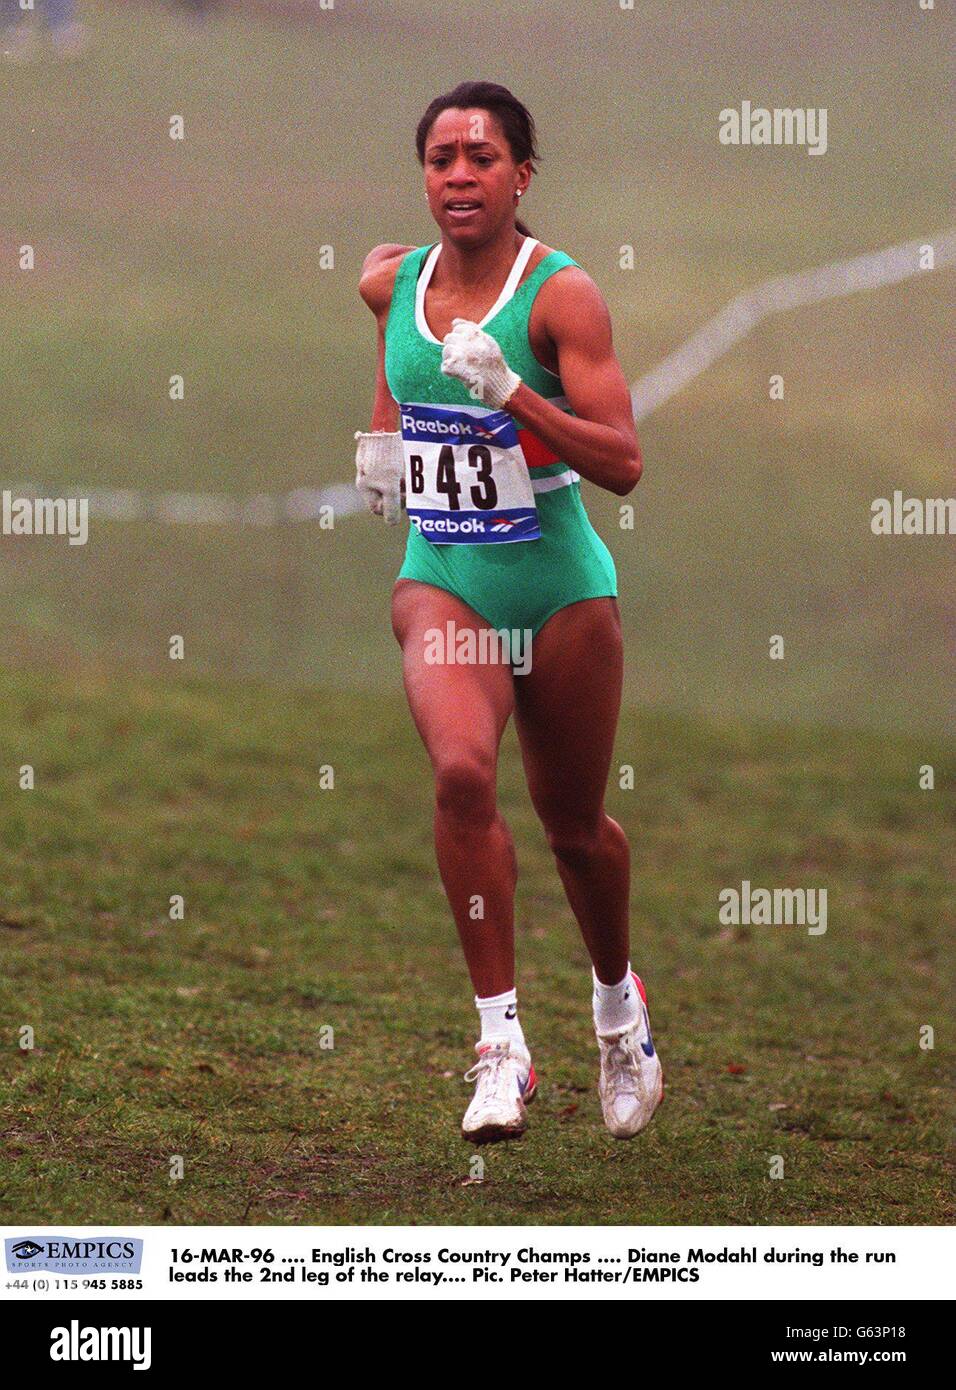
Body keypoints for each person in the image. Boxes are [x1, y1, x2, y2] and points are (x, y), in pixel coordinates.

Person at [356, 81, 663, 1144]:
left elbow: (621, 460)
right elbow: (398, 359)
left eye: (481, 158)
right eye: (440, 158)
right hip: (443, 571)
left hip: (558, 584)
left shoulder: (559, 297)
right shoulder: (388, 281)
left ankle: (618, 1013)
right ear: (423, 176)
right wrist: (385, 437)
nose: (458, 175)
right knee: (458, 773)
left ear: (520, 175)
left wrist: (515, 397)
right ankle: (500, 1047)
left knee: (575, 829)